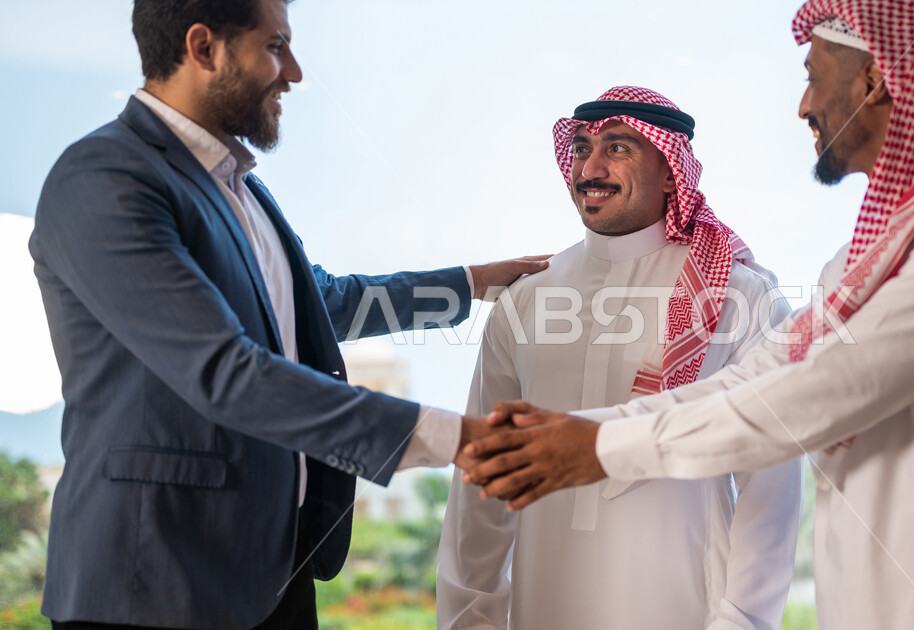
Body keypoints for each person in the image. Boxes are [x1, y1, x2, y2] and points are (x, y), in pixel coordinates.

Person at [460, 1, 914, 628]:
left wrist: (599, 448)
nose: (804, 104)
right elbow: (760, 381)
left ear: (877, 76)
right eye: (583, 147)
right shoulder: (857, 264)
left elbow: (821, 393)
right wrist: (574, 441)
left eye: (813, 76)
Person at [29, 1, 542, 628]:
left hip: (270, 571)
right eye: (276, 46)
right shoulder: (106, 177)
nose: (294, 71)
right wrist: (459, 438)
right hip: (155, 582)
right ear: (204, 48)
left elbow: (319, 306)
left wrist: (474, 283)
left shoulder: (239, 186)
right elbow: (226, 370)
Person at [436, 86, 801, 630]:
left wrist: (742, 621)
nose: (591, 167)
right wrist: (469, 620)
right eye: (581, 147)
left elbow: (770, 485)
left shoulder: (741, 297)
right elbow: (483, 484)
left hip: (688, 610)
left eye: (619, 148)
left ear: (671, 167)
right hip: (544, 607)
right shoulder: (526, 297)